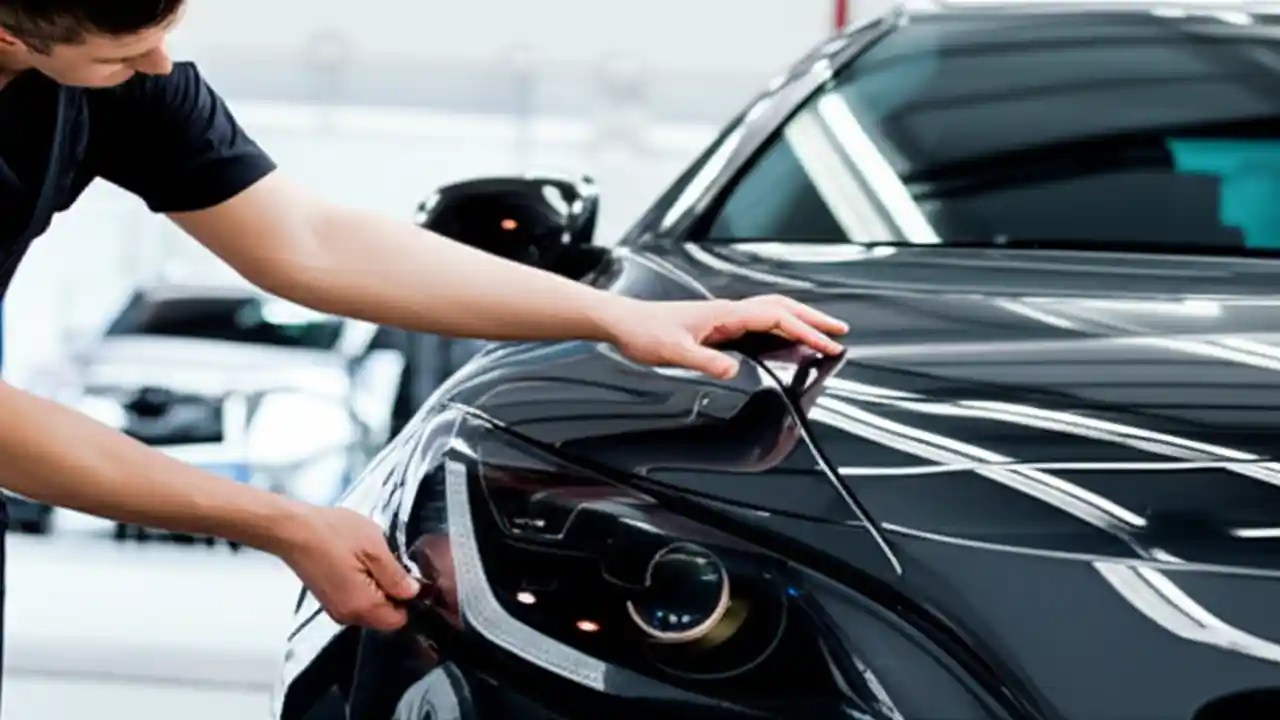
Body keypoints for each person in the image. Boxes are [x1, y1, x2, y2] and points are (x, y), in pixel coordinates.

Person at [0, 0, 848, 701]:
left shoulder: (102, 70)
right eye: (126, 54)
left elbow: (309, 240)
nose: (157, 68)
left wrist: (618, 317)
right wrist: (281, 522)